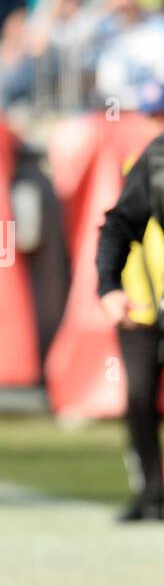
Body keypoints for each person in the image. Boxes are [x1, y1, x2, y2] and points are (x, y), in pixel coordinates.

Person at [95, 86, 164, 521]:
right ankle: (152, 492)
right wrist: (108, 287)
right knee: (140, 399)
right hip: (142, 304)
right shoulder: (152, 160)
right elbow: (117, 225)